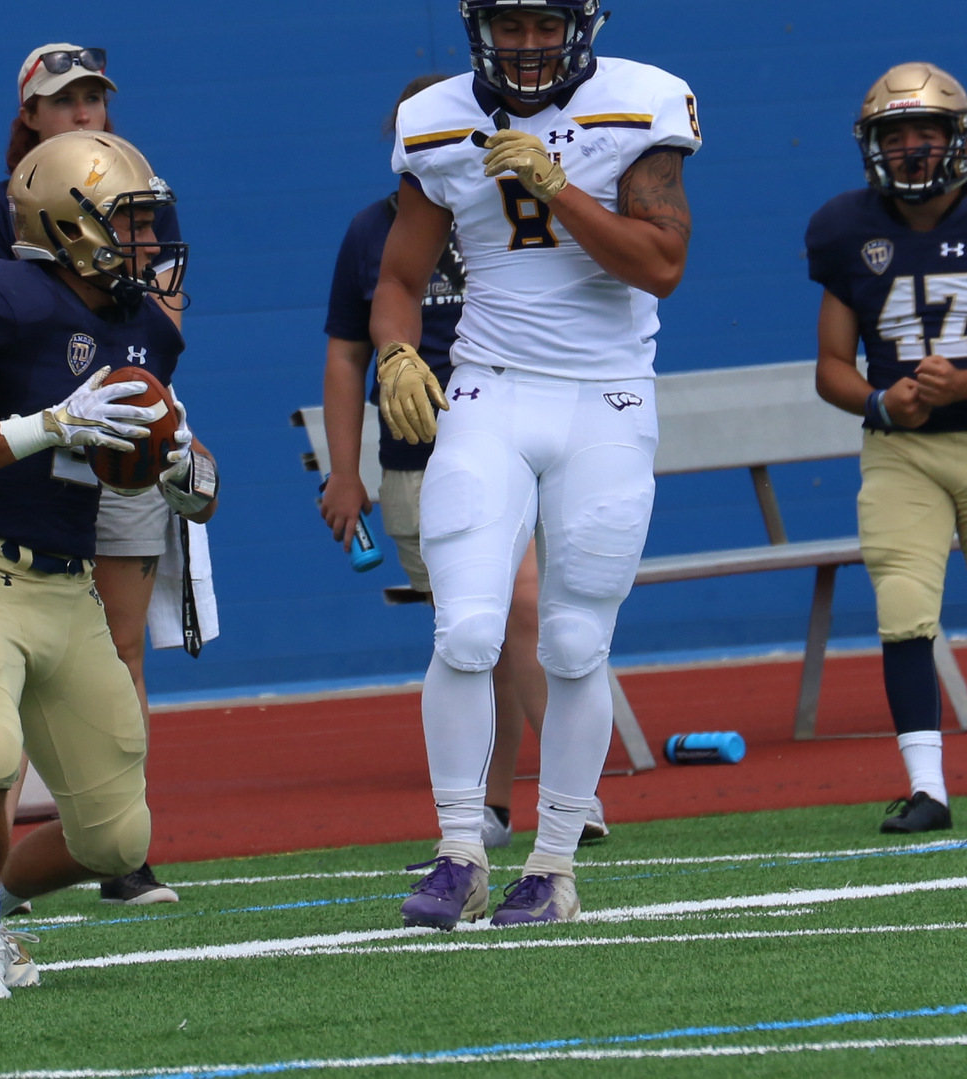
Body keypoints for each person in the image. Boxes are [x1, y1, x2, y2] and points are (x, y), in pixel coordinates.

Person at [372, 1, 697, 928]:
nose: (525, 43)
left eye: (541, 24)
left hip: (608, 395)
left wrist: (561, 188)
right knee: (467, 629)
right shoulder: (435, 118)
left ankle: (553, 864)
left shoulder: (643, 102)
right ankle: (459, 849)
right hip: (490, 387)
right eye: (507, 25)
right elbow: (399, 277)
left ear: (579, 24)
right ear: (479, 26)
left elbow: (661, 262)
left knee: (574, 641)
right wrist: (398, 352)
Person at [0, 130, 217, 1000]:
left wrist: (190, 472)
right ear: (70, 222)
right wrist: (49, 424)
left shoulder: (144, 325)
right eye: (133, 221)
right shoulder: (3, 296)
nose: (151, 241)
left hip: (68, 589)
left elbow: (184, 460)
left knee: (115, 839)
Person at [0, 43, 197, 905]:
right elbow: (10, 328)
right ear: (30, 115)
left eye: (94, 98)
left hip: (124, 428)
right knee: (19, 655)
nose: (84, 113)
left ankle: (118, 841)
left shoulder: (141, 192)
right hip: (46, 442)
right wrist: (66, 415)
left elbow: (161, 319)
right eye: (65, 101)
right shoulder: (0, 208)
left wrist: (145, 415)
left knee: (121, 644)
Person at [321, 72, 563, 851]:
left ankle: (559, 789)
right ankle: (486, 809)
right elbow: (344, 357)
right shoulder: (369, 232)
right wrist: (345, 470)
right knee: (467, 632)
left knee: (520, 608)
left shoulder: (508, 207)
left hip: (505, 441)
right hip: (415, 455)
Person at [808, 62, 967, 835]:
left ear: (954, 140)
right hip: (902, 449)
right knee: (904, 606)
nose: (911, 149)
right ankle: (928, 786)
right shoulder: (847, 228)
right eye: (895, 135)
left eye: (925, 133)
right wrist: (881, 398)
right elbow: (831, 368)